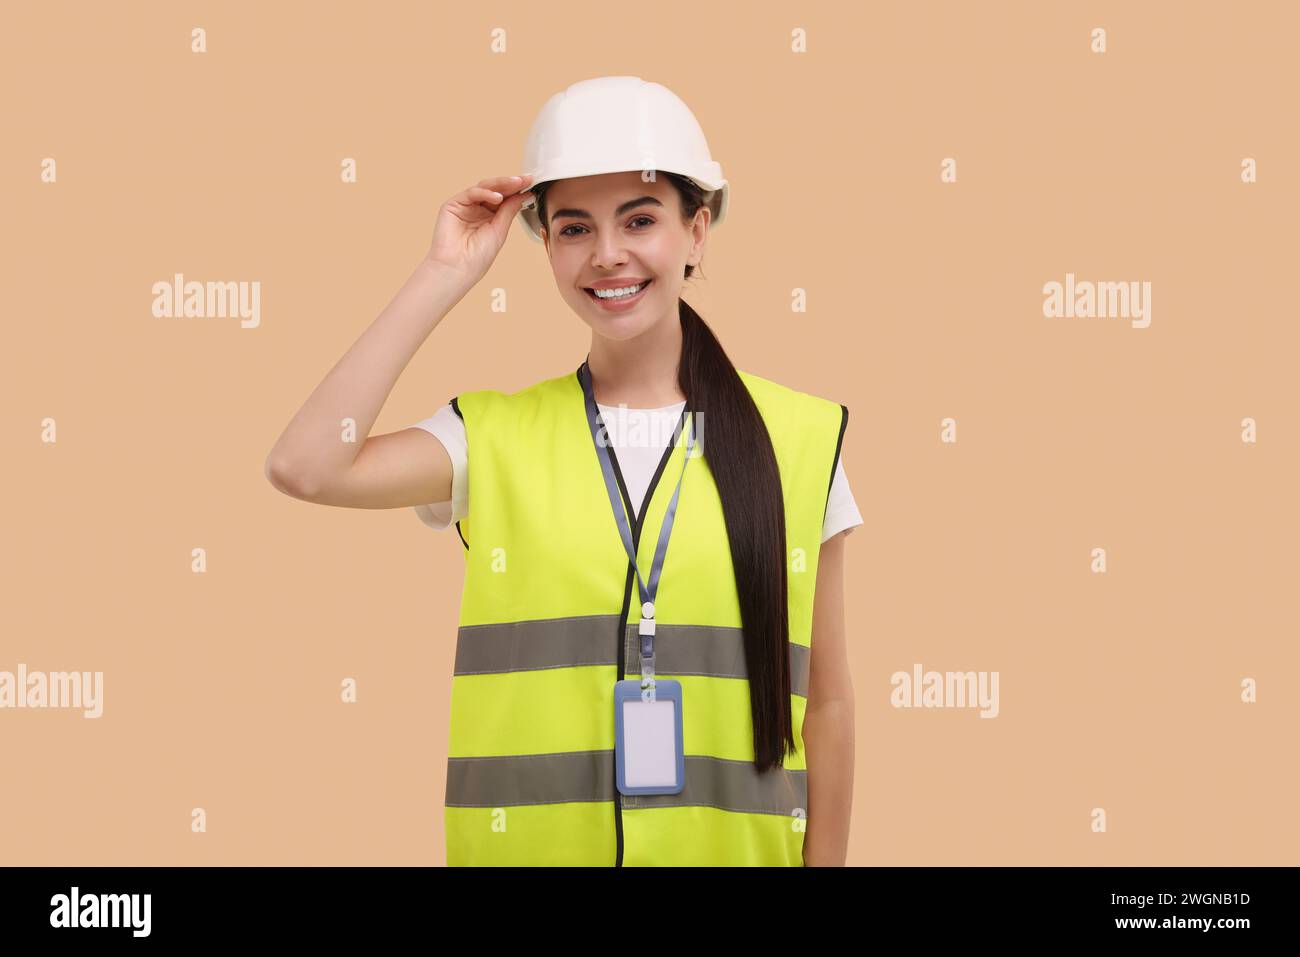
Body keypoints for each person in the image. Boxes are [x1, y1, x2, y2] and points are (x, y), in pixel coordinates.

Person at [266, 76, 859, 866]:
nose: (607, 253)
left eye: (640, 219)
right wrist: (444, 272)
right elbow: (306, 464)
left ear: (698, 230)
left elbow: (828, 702)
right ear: (545, 244)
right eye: (574, 227)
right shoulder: (490, 436)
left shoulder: (802, 438)